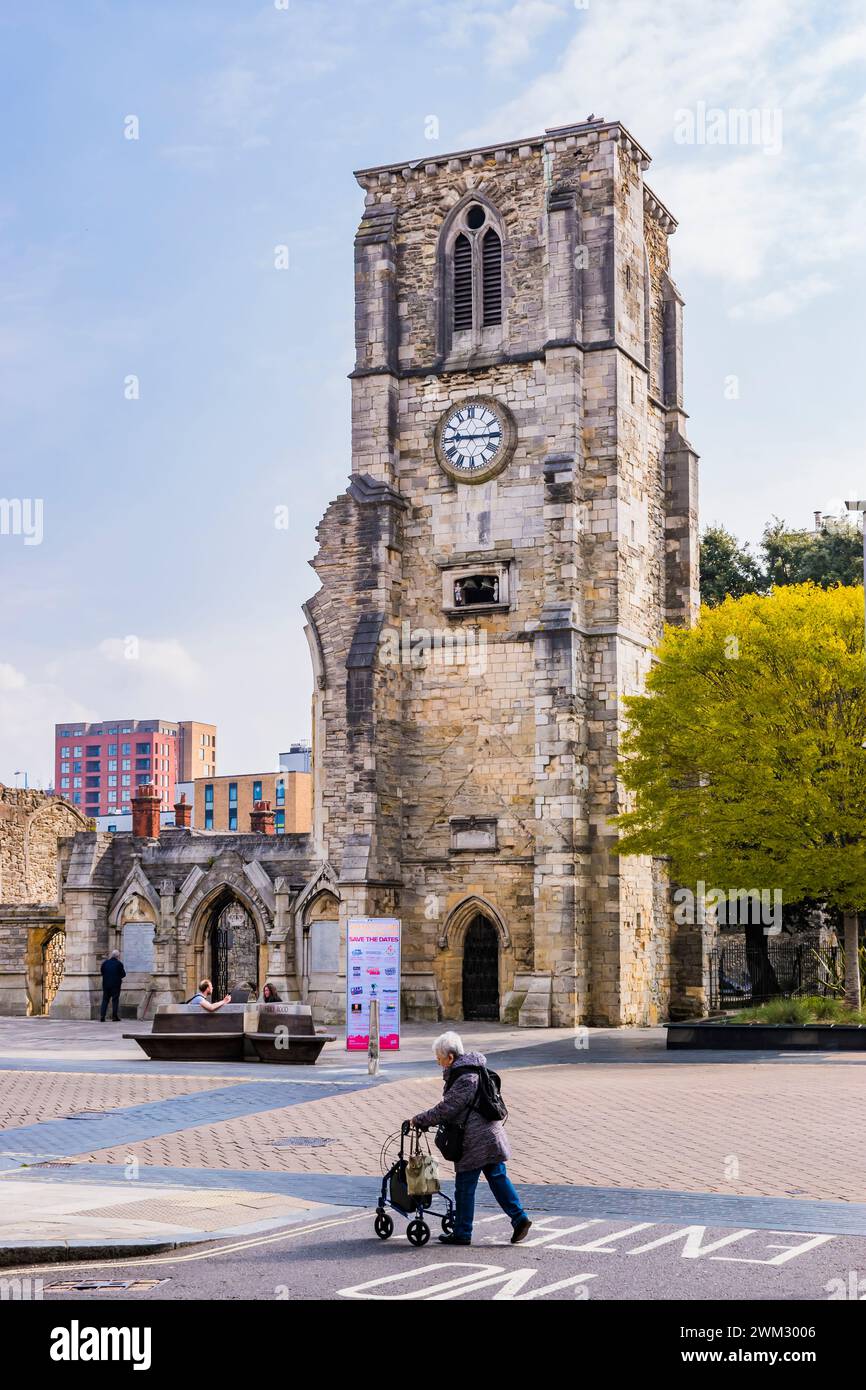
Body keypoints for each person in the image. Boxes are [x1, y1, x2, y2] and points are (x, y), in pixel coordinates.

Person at [411, 1030, 531, 1247]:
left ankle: (463, 1232)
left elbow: (447, 1108)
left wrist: (420, 1119)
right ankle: (519, 1218)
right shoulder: (473, 1069)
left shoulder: (465, 1077)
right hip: (490, 1135)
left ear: (450, 1057)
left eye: (439, 1059)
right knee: (497, 1177)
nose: (439, 1064)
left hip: (474, 1140)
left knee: (465, 1186)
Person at [99, 949, 126, 1022]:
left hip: (106, 984)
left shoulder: (105, 963)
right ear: (117, 956)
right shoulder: (119, 964)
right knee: (115, 1000)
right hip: (115, 985)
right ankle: (114, 1017)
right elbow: (123, 974)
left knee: (105, 1000)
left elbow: (102, 972)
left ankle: (102, 1016)